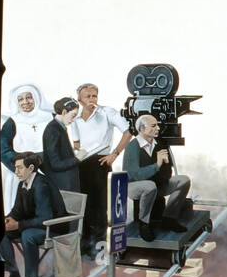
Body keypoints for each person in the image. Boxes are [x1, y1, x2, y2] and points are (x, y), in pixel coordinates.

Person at [68, 83, 133, 258]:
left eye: (94, 96)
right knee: (85, 206)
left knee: (101, 206)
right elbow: (76, 144)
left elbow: (128, 132)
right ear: (80, 100)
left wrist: (115, 153)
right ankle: (86, 245)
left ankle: (100, 247)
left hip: (101, 163)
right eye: (87, 96)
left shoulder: (107, 112)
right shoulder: (75, 118)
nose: (92, 99)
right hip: (82, 165)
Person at [4, 152, 65, 277]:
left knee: (28, 236)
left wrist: (18, 225)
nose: (16, 171)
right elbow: (17, 210)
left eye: (19, 168)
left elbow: (46, 218)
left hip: (54, 228)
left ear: (31, 168)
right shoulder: (22, 184)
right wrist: (7, 220)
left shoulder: (41, 185)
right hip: (36, 225)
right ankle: (14, 275)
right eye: (15, 168)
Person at [122, 115, 192, 242]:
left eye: (157, 125)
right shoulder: (132, 147)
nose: (158, 128)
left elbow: (167, 171)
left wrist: (160, 176)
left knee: (183, 180)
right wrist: (157, 165)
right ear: (142, 129)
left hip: (156, 185)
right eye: (153, 126)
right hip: (133, 186)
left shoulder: (159, 143)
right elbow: (135, 175)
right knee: (149, 186)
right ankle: (144, 224)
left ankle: (169, 218)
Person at [0, 83, 50, 215]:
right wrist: (22, 167)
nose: (25, 102)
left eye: (29, 97)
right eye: (20, 99)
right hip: (20, 171)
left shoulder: (49, 117)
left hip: (46, 170)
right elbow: (2, 149)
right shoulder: (12, 122)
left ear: (36, 98)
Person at [43, 97, 82, 194]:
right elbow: (55, 164)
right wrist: (77, 158)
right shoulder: (53, 129)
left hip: (66, 184)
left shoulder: (59, 127)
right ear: (64, 112)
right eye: (73, 116)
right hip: (61, 186)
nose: (73, 120)